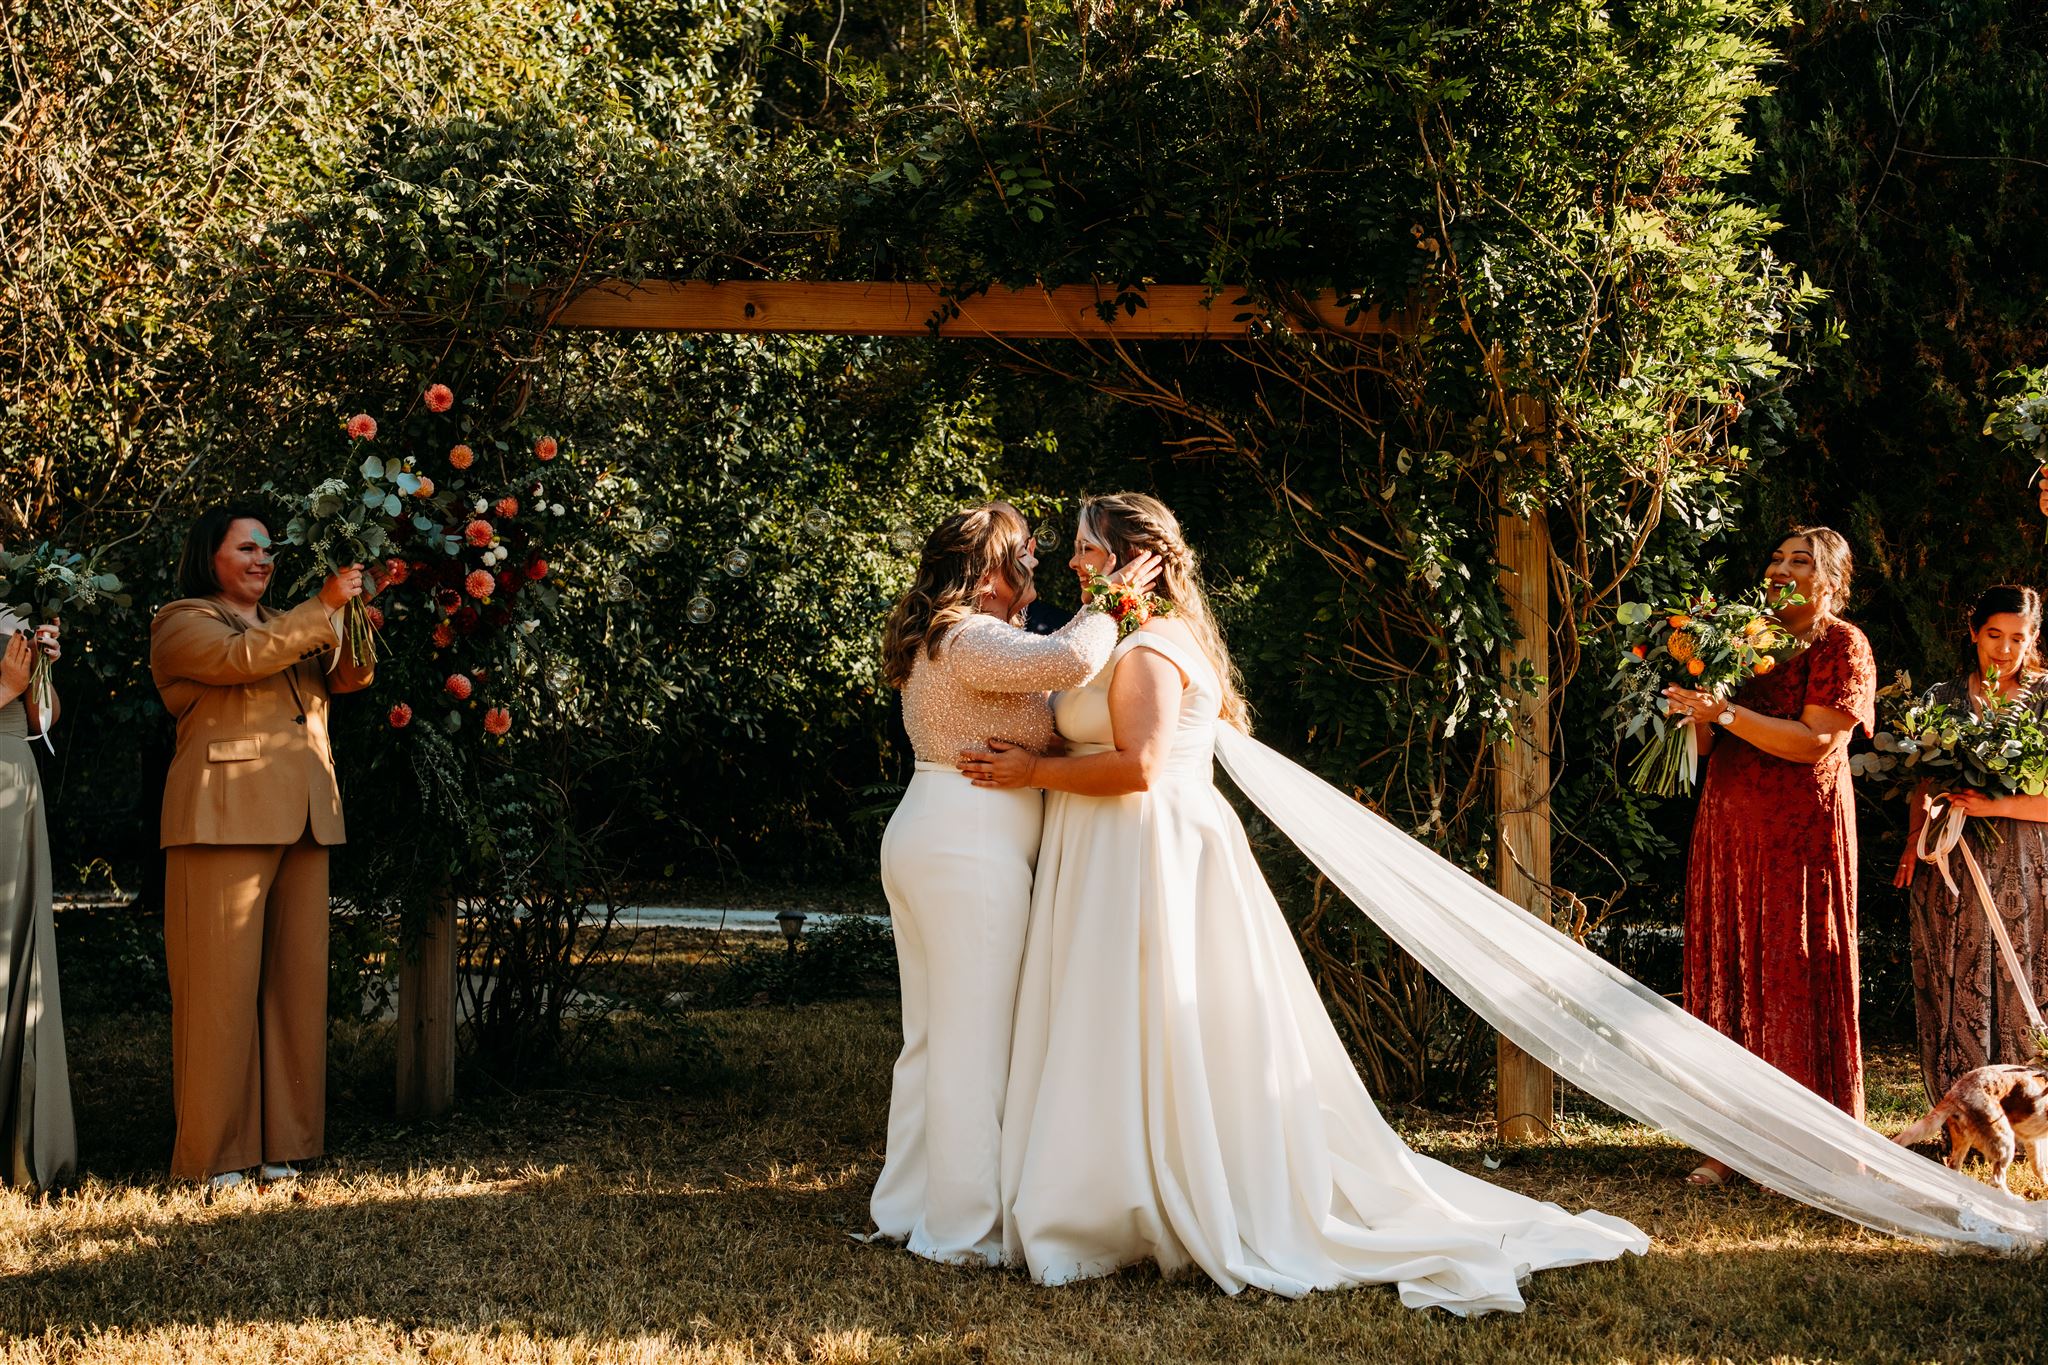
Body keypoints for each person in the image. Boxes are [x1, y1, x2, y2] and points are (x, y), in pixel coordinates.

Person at [957, 494, 1646, 1312]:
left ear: (1136, 557)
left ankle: (1134, 1199)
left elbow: (1140, 766)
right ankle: (1109, 1190)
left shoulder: (1148, 648)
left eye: (1087, 549)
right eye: (1072, 548)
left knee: (1141, 1021)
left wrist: (1031, 773)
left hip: (1142, 854)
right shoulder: (1126, 638)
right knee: (1116, 1026)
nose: (1073, 562)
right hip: (1114, 852)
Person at [869, 502, 1159, 1264]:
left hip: (935, 833)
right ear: (991, 570)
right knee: (971, 1043)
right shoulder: (970, 636)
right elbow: (1068, 662)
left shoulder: (959, 637)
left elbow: (1050, 692)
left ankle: (907, 1203)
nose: (1039, 564)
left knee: (933, 1039)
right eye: (1026, 555)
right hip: (966, 848)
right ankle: (963, 1231)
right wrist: (1117, 598)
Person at [150, 504, 373, 1190]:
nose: (261, 559)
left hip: (305, 814)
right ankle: (217, 1154)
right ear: (208, 555)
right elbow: (239, 661)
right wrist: (322, 605)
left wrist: (353, 618)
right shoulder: (182, 620)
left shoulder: (289, 623)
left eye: (268, 550)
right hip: (223, 816)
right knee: (219, 992)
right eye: (245, 548)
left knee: (293, 988)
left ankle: (283, 1142)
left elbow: (348, 679)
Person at [1661, 526, 1876, 1184]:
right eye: (1776, 556)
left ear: (1833, 580)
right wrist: (1691, 706)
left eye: (1800, 561)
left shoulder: (1842, 643)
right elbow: (1699, 750)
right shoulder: (1743, 636)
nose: (1781, 568)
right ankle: (1729, 1141)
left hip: (1798, 832)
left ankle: (1812, 1139)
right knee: (1729, 967)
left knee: (1791, 967)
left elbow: (1816, 741)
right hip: (1728, 824)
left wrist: (1724, 712)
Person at [1896, 584, 2048, 1101]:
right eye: (1993, 635)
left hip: (2025, 859)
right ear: (1973, 633)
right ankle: (1962, 1106)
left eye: (2017, 638)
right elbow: (1923, 782)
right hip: (1952, 858)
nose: (2004, 650)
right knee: (1953, 974)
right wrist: (1915, 837)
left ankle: (2026, 1109)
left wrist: (1995, 806)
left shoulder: (2045, 698)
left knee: (2018, 973)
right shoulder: (1941, 698)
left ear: (2033, 639)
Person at [0, 612, 73, 1189]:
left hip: (15, 784)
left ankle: (20, 1146)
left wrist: (42, 673)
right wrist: (4, 685)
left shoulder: (12, 613)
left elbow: (38, 724)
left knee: (19, 952)